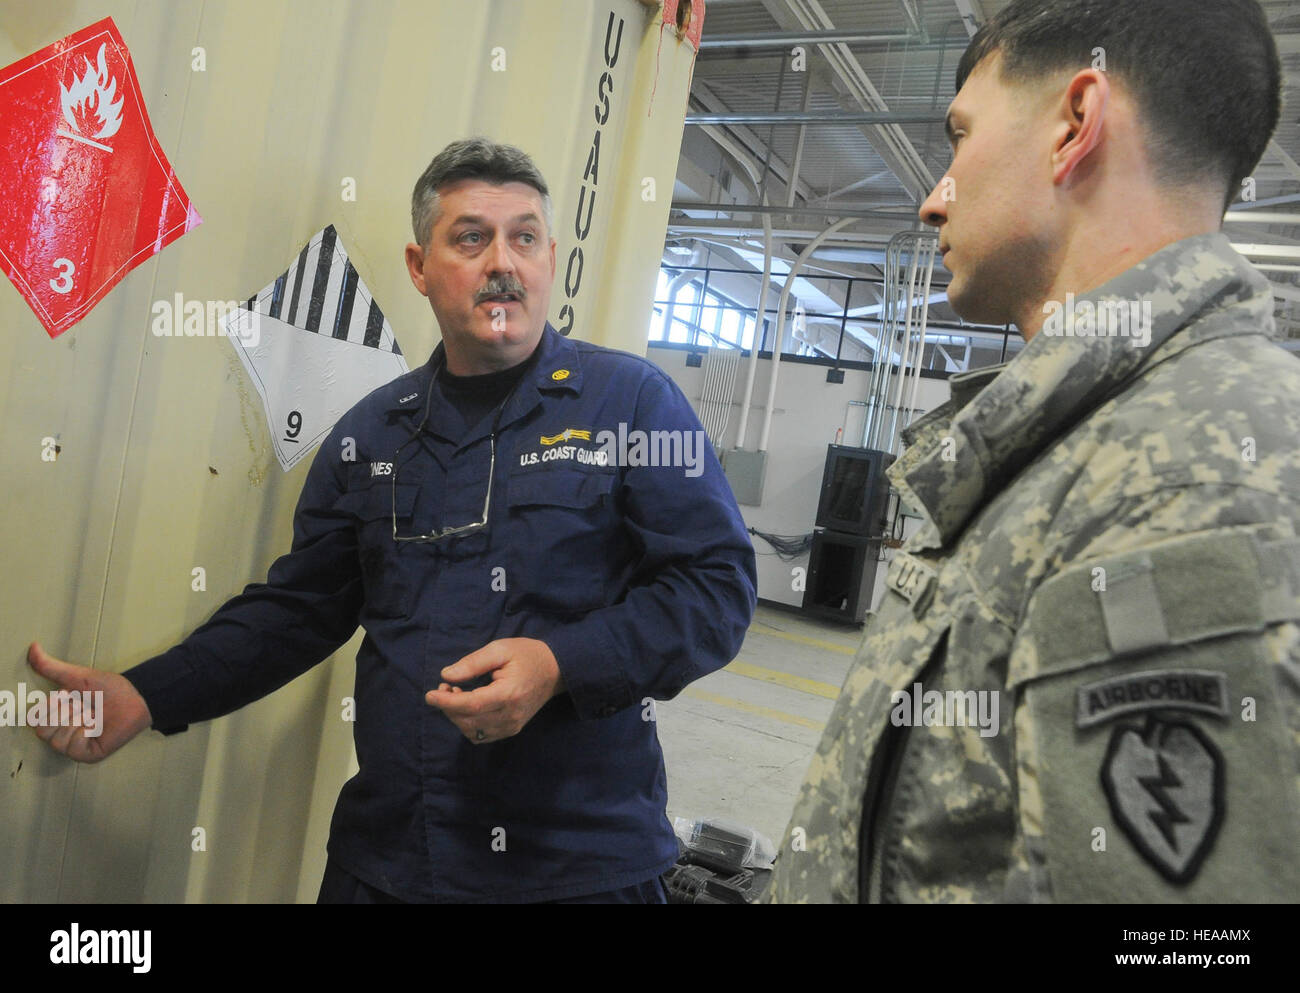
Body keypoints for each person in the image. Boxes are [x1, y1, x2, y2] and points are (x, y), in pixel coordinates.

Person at [28, 137, 758, 904]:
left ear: (548, 258)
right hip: (393, 861)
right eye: (471, 238)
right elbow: (299, 610)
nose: (502, 262)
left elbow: (717, 588)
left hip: (577, 866)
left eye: (525, 237)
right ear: (419, 267)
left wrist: (560, 663)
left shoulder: (633, 404)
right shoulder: (371, 434)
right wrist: (148, 695)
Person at [767, 0, 1300, 903]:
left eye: (961, 135)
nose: (932, 195)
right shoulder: (1076, 443)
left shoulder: (1193, 479)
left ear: (1075, 124)